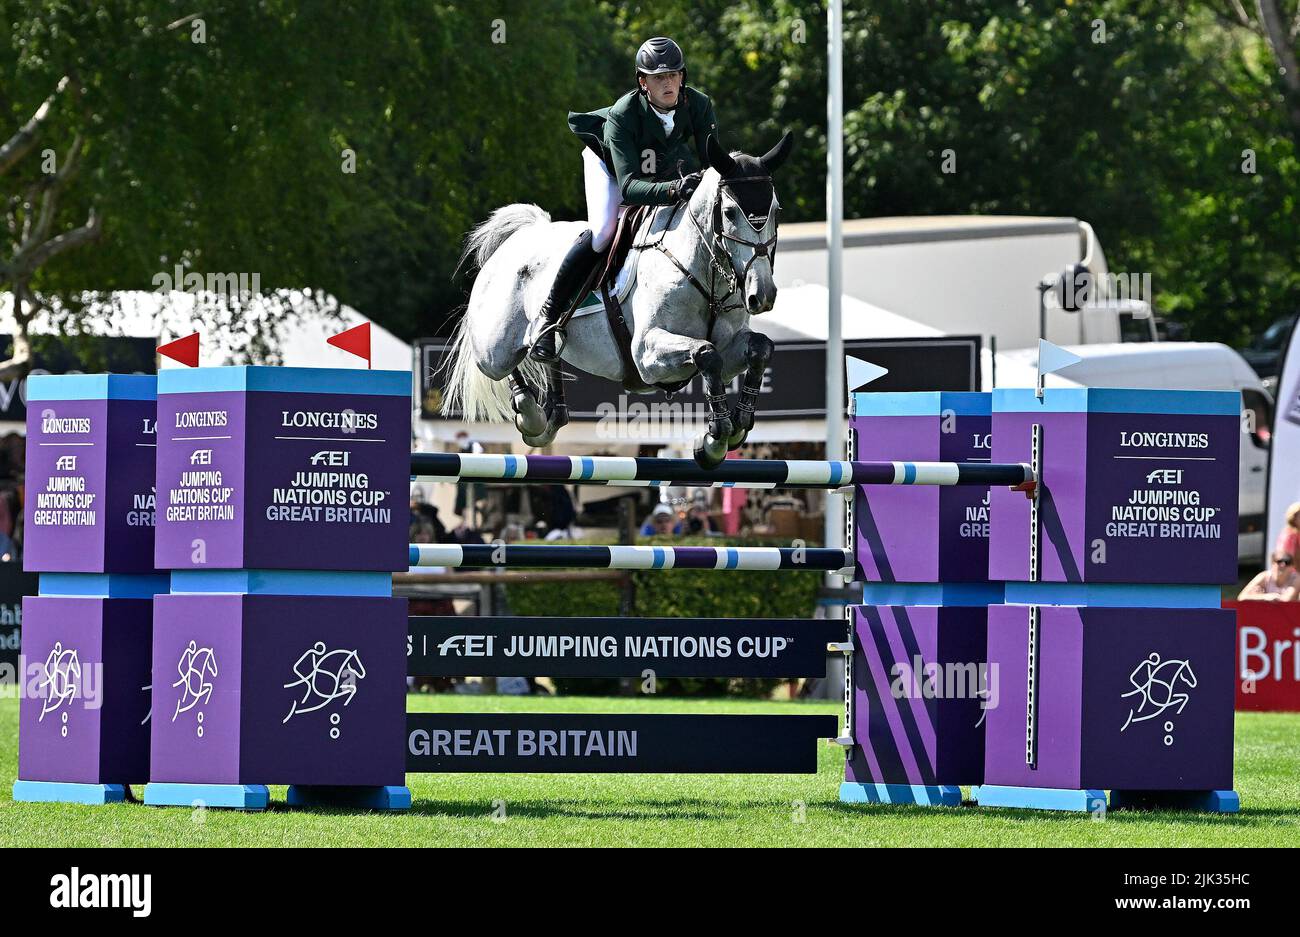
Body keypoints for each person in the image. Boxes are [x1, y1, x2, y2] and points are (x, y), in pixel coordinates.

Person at [531, 36, 722, 361]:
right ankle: (548, 319)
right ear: (642, 82)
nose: (668, 83)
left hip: (660, 166)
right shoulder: (623, 115)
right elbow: (631, 187)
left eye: (674, 75)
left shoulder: (699, 105)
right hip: (611, 169)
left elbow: (712, 163)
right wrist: (675, 190)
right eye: (659, 77)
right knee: (604, 232)